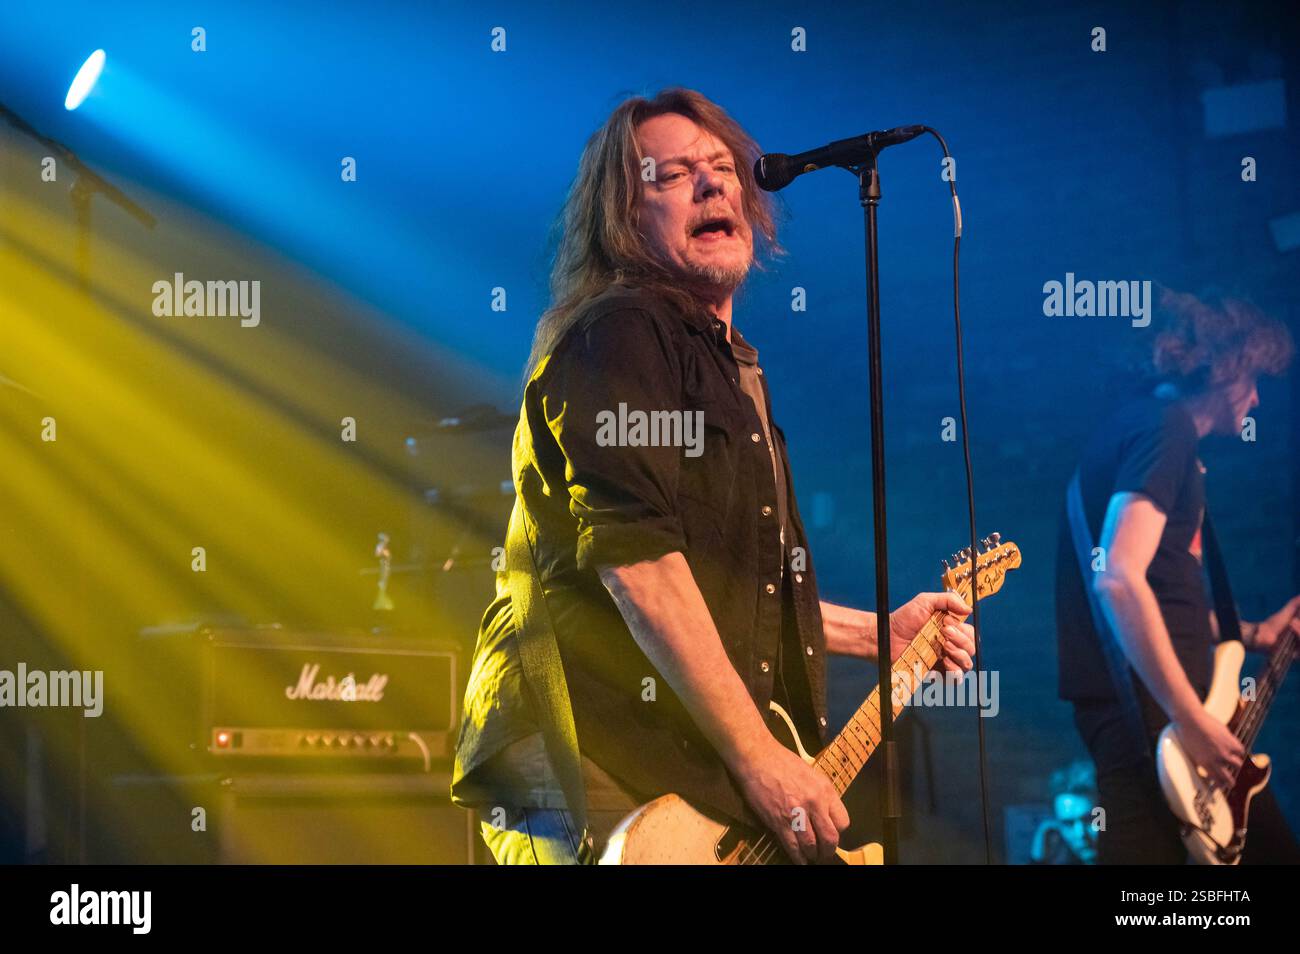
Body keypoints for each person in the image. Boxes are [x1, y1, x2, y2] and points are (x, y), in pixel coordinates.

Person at [450, 88, 976, 865]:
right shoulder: (622, 331)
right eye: (669, 175)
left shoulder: (725, 369)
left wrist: (879, 634)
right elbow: (639, 564)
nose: (711, 184)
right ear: (622, 219)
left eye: (724, 168)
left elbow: (724, 588)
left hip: (672, 759)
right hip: (594, 749)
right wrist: (763, 758)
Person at [1056, 288, 1300, 864]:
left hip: (1169, 719)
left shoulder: (1151, 431)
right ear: (1226, 370)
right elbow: (1117, 578)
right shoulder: (1165, 429)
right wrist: (1191, 719)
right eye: (1254, 378)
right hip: (1155, 721)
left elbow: (1159, 595)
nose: (1259, 398)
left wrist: (1257, 635)